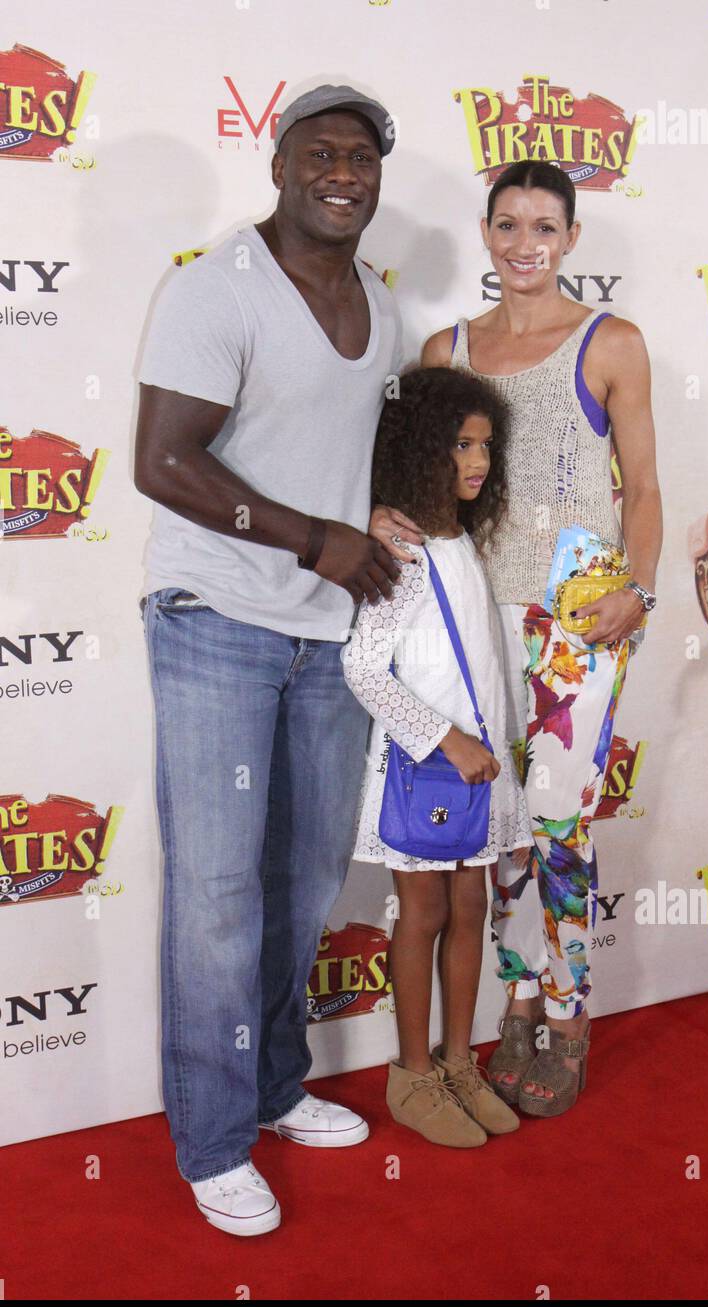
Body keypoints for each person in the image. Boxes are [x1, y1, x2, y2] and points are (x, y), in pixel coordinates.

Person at [134, 84, 405, 1236]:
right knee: (213, 893)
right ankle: (210, 1139)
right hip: (217, 619)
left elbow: (342, 447)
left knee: (300, 882)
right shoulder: (215, 287)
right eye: (320, 152)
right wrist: (314, 540)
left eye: (360, 157)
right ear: (280, 162)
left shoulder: (377, 304)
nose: (342, 173)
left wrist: (372, 531)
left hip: (326, 635)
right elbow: (161, 459)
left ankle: (272, 1083)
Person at [374, 159, 662, 1118]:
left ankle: (571, 1017)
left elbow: (646, 487)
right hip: (473, 618)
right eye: (508, 225)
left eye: (545, 226)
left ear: (571, 238)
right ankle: (517, 1004)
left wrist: (643, 590)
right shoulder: (444, 347)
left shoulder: (611, 342)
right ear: (488, 234)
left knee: (560, 825)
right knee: (499, 832)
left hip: (580, 617)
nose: (525, 243)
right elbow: (414, 472)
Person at [342, 367, 533, 1147]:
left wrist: (489, 756)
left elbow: (482, 672)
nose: (477, 461)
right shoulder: (407, 550)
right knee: (420, 913)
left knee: (471, 907)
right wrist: (444, 740)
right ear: (424, 448)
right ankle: (412, 1072)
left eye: (486, 445)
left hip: (479, 771)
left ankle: (460, 1062)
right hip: (422, 774)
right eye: (461, 444)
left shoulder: (460, 542)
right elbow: (362, 668)